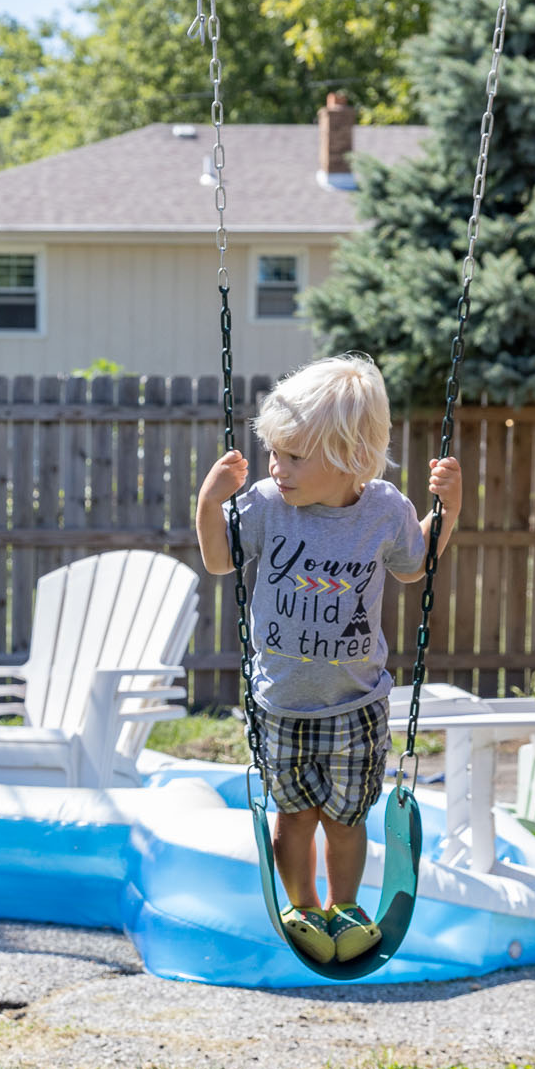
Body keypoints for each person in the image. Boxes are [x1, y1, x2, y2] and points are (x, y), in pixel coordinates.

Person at [194, 354, 462, 964]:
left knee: (345, 819)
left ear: (347, 457)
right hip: (280, 701)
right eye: (275, 453)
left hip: (356, 703)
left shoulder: (385, 510)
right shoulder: (264, 504)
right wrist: (210, 505)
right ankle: (303, 908)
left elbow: (416, 564)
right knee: (293, 818)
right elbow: (218, 560)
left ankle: (346, 907)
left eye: (293, 456)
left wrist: (449, 510)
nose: (276, 467)